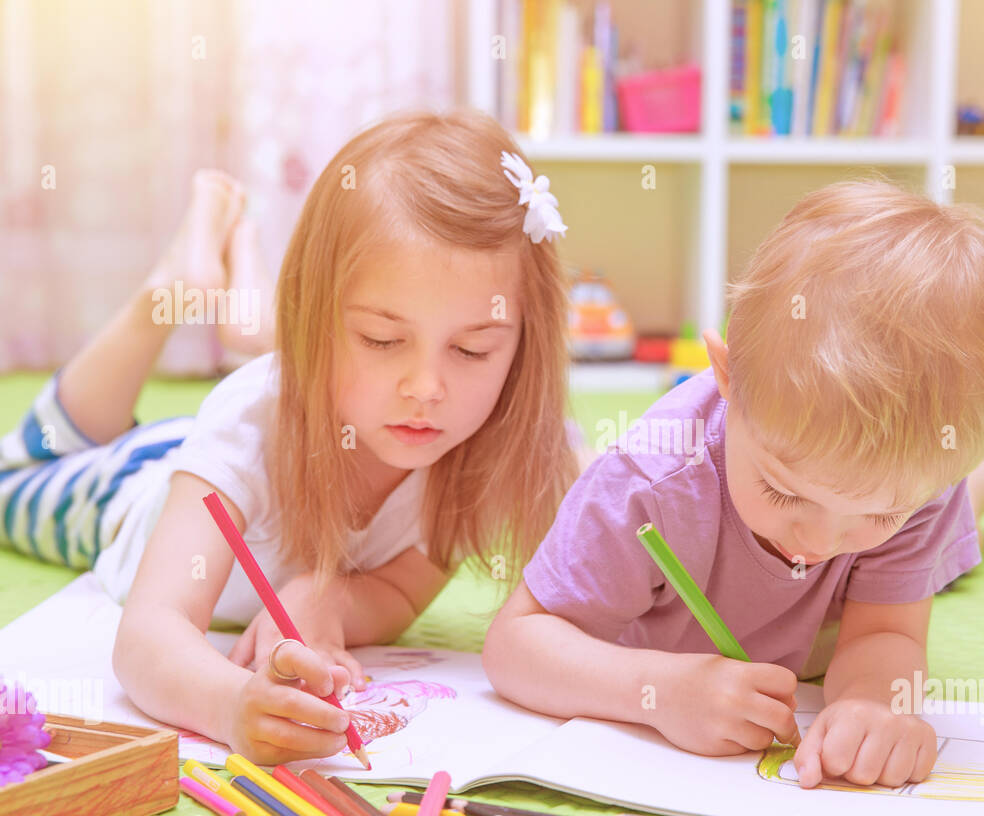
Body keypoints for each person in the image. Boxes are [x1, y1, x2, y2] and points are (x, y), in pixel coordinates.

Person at [0, 111, 577, 765]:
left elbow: (402, 591)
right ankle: (169, 288)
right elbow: (148, 634)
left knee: (275, 358)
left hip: (261, 421)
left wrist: (327, 595)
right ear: (315, 320)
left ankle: (237, 278)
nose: (426, 387)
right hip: (131, 490)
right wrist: (229, 704)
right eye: (382, 340)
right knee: (18, 465)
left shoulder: (479, 446)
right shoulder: (250, 421)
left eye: (472, 349)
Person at [483, 180, 984, 791]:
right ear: (727, 376)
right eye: (787, 493)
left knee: (945, 532)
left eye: (880, 514)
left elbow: (885, 633)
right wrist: (658, 692)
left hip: (829, 616)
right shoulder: (649, 484)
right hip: (673, 520)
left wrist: (874, 706)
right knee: (594, 488)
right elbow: (514, 647)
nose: (819, 540)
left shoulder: (918, 483)